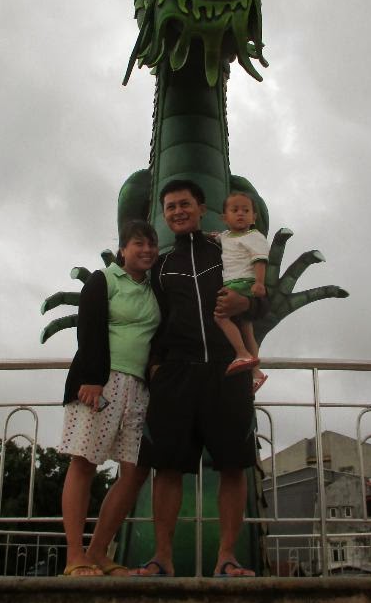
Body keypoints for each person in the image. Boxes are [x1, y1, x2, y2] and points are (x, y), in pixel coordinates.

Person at [133, 179, 268, 578]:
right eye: (170, 206)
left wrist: (247, 302)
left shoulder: (226, 247)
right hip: (177, 375)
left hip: (227, 371)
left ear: (201, 206)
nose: (178, 211)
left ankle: (227, 556)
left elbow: (260, 302)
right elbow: (152, 322)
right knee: (168, 468)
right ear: (164, 213)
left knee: (233, 464)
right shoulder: (160, 267)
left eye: (184, 204)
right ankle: (162, 557)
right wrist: (155, 368)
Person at [59, 220, 160, 577]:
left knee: (135, 470)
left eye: (151, 245)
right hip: (100, 381)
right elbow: (89, 330)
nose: (146, 250)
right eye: (138, 244)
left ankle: (100, 551)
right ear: (122, 248)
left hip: (138, 388)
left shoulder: (152, 288)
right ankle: (75, 556)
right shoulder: (103, 280)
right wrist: (91, 378)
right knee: (85, 461)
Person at [213, 191, 269, 392]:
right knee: (246, 327)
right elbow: (219, 238)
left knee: (220, 316)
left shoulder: (253, 236)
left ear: (254, 217)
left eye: (246, 210)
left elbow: (260, 259)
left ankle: (242, 353)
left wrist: (260, 282)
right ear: (224, 218)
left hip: (242, 283)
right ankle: (256, 372)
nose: (240, 214)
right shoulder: (226, 236)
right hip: (234, 283)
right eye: (234, 210)